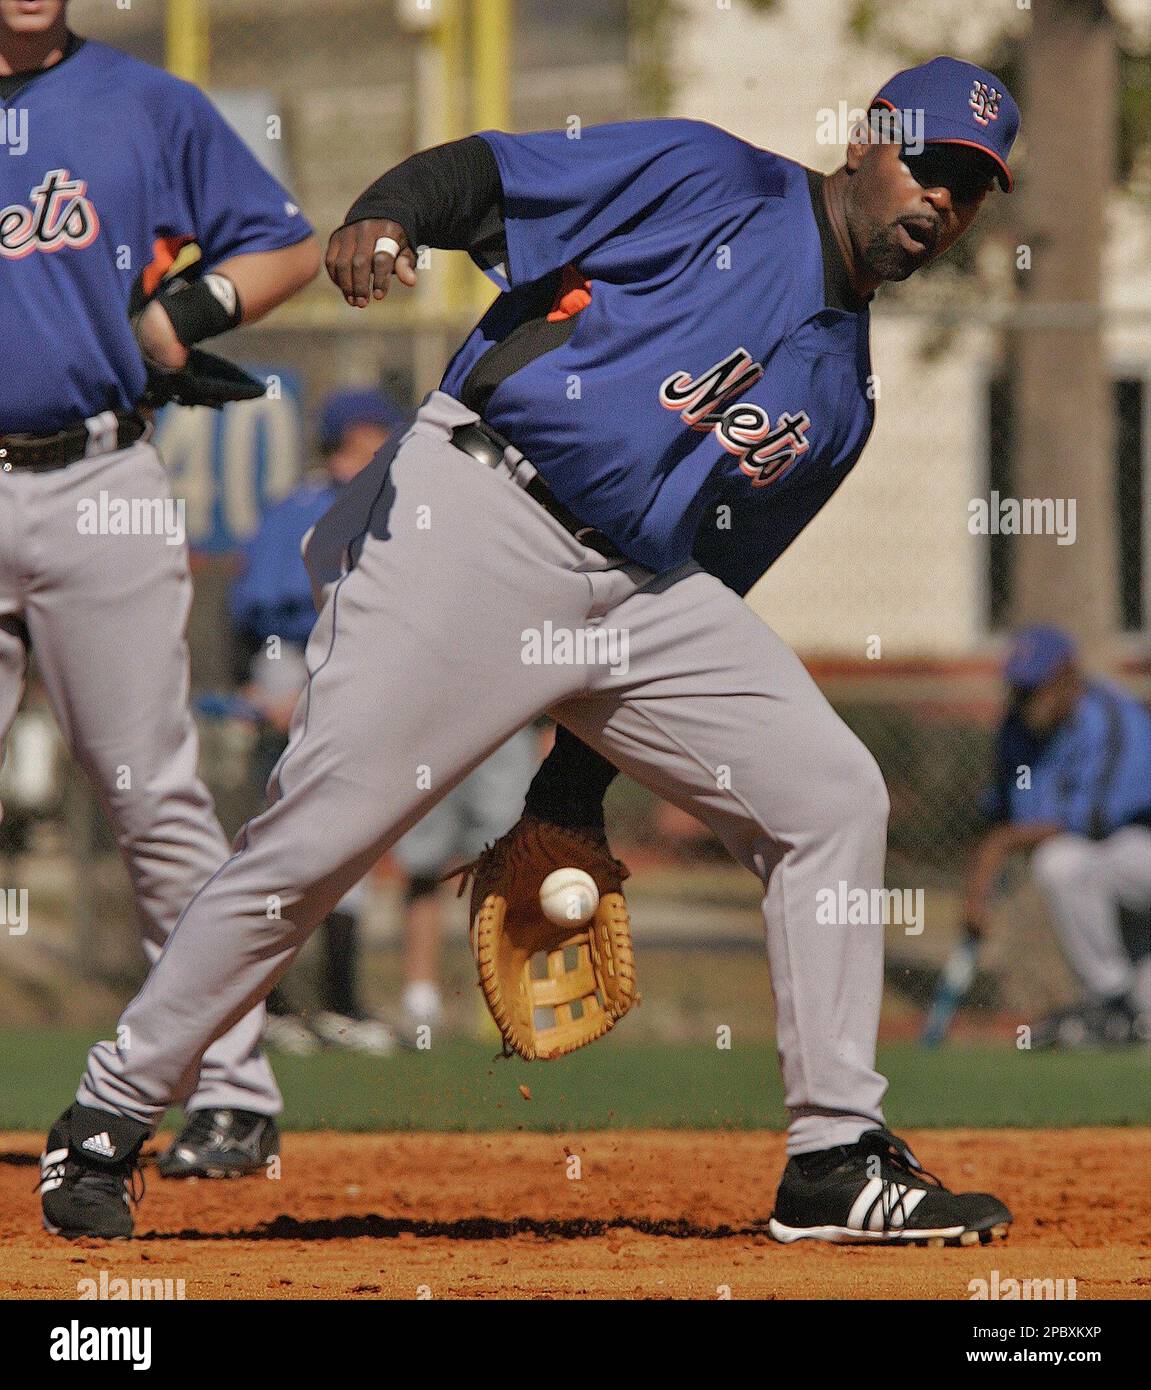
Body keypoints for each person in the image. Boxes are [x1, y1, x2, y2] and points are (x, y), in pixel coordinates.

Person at [44, 56, 1020, 1246]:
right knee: (315, 843)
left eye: (969, 190)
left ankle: (831, 1154)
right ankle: (107, 1113)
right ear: (868, 138)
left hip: (643, 590)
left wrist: (570, 789)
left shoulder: (843, 399)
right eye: (928, 163)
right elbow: (489, 175)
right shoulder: (712, 178)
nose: (939, 200)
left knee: (828, 795)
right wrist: (388, 216)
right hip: (478, 514)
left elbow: (708, 574)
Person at [0, 0, 321, 1194]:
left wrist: (188, 311)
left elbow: (283, 242)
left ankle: (232, 1091)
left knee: (153, 797)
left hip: (99, 478)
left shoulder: (144, 103)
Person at [231, 388, 408, 1057]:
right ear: (356, 435)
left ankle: (338, 1002)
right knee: (281, 841)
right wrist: (272, 681)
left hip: (360, 673)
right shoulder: (305, 506)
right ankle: (270, 1006)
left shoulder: (391, 506)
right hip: (299, 670)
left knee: (351, 844)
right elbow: (260, 609)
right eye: (382, 432)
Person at [964, 625, 1151, 1047]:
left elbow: (1097, 821)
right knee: (1143, 1022)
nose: (1024, 700)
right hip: (1116, 881)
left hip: (1139, 850)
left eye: (1035, 688)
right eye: (1018, 689)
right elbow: (1003, 815)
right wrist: (979, 890)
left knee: (1061, 862)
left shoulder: (1112, 717)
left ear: (1068, 677)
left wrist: (1002, 845)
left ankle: (1109, 1000)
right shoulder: (1017, 732)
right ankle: (1120, 1010)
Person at [392, 726, 541, 1045]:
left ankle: (509, 996)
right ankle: (420, 1003)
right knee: (423, 866)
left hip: (506, 720)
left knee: (508, 865)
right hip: (430, 723)